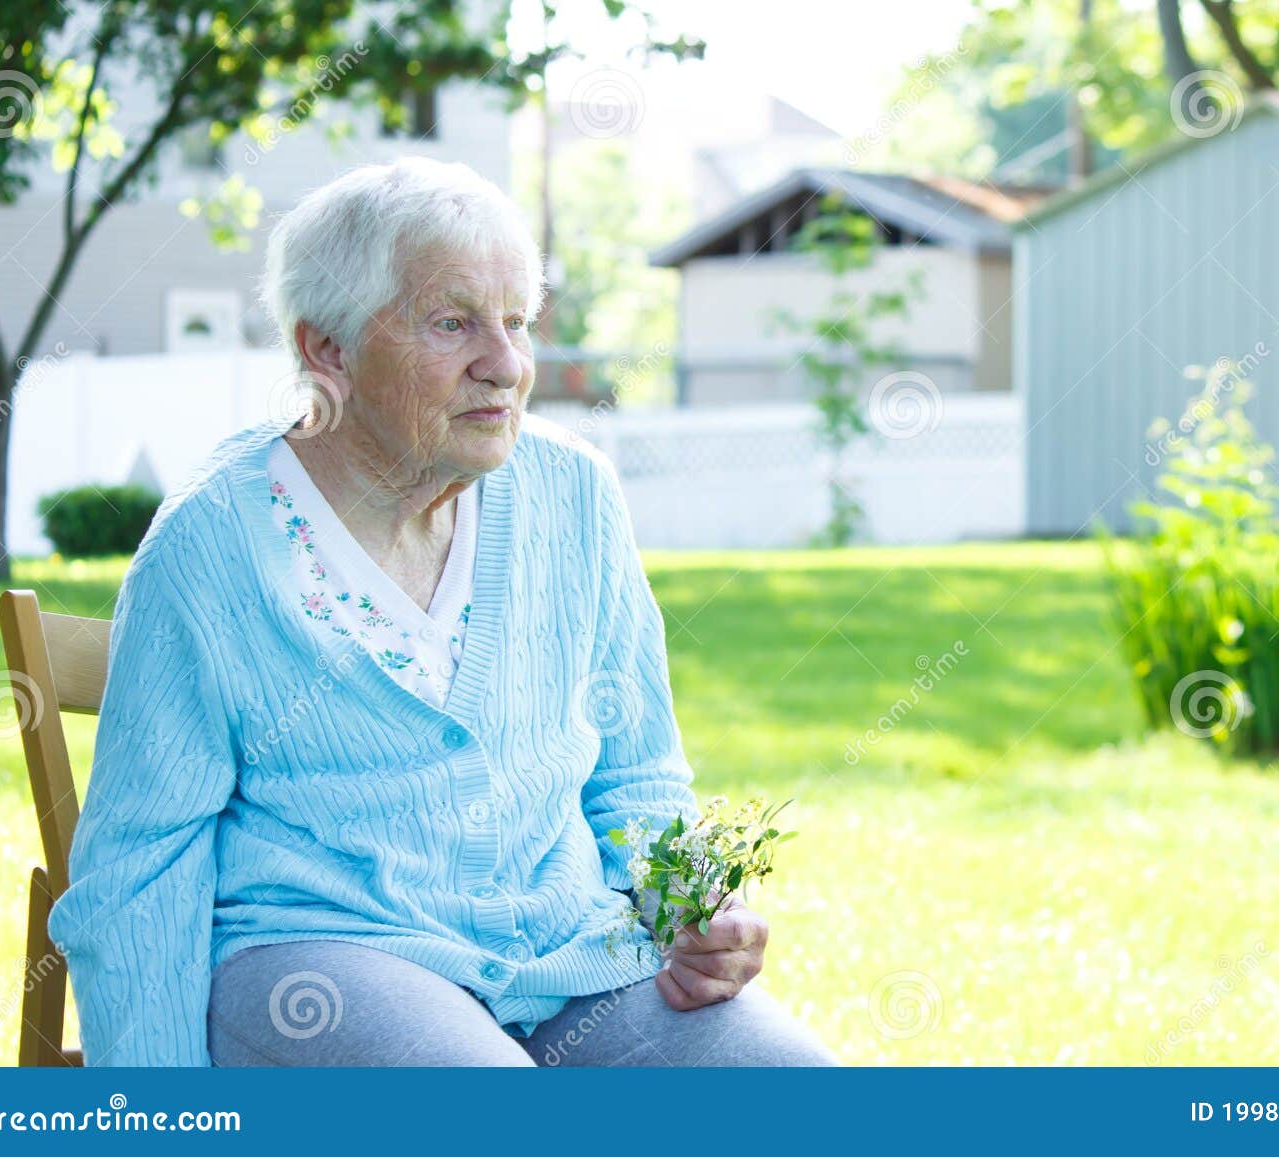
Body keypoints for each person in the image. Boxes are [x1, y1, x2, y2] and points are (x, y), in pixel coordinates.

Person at [47, 156, 837, 1068]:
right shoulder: (214, 543)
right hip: (323, 959)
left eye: (517, 323)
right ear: (326, 349)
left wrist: (694, 906)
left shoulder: (574, 494)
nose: (505, 365)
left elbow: (638, 775)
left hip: (569, 956)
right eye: (452, 323)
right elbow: (142, 863)